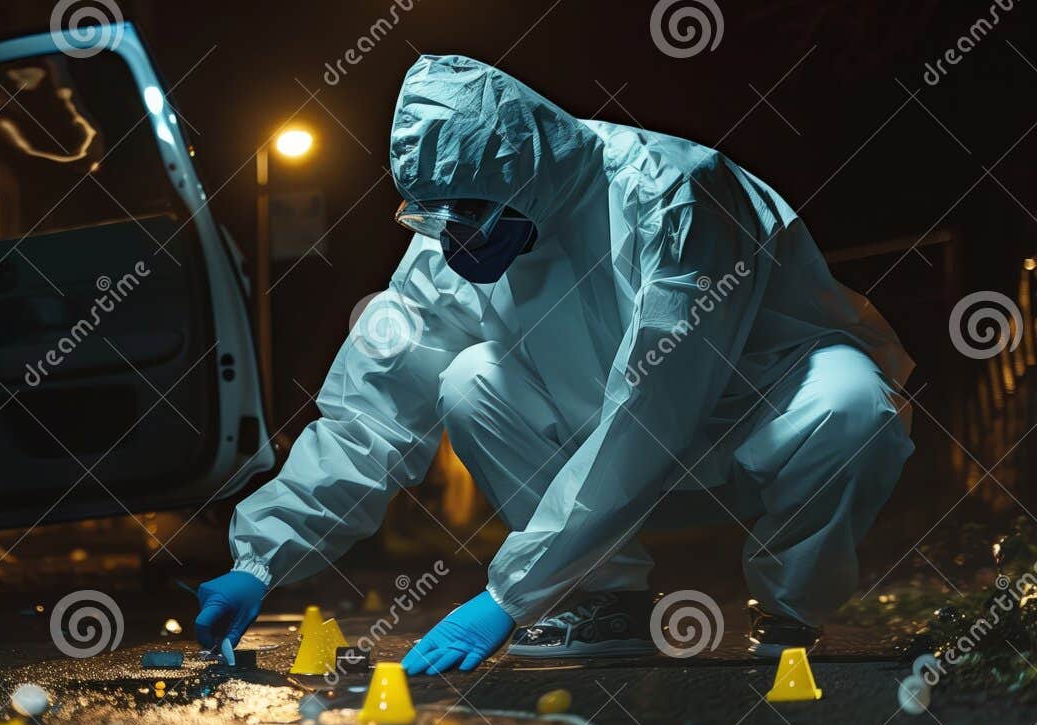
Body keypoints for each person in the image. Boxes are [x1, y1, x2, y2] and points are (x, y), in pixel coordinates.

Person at [196, 55, 913, 675]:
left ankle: (789, 610)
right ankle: (604, 599)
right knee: (468, 378)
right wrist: (261, 556)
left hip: (760, 414)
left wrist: (510, 594)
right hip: (610, 433)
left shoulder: (674, 194)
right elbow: (370, 413)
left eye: (468, 213)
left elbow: (653, 403)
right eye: (432, 219)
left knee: (852, 402)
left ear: (523, 167)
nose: (453, 242)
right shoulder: (459, 243)